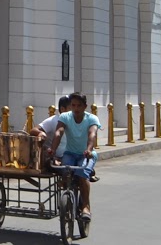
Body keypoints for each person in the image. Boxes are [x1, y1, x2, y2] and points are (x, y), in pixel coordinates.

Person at [53, 92, 101, 225]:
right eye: (73, 105)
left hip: (86, 154)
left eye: (79, 105)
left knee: (82, 176)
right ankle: (66, 200)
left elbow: (92, 134)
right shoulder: (65, 117)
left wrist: (89, 149)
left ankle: (85, 206)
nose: (76, 108)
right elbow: (59, 132)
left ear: (85, 106)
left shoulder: (92, 119)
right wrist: (53, 149)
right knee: (65, 172)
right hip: (70, 153)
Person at [36, 95, 72, 169]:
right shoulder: (53, 120)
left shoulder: (76, 121)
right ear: (62, 109)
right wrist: (41, 133)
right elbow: (34, 130)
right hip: (57, 157)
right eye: (71, 108)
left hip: (72, 155)